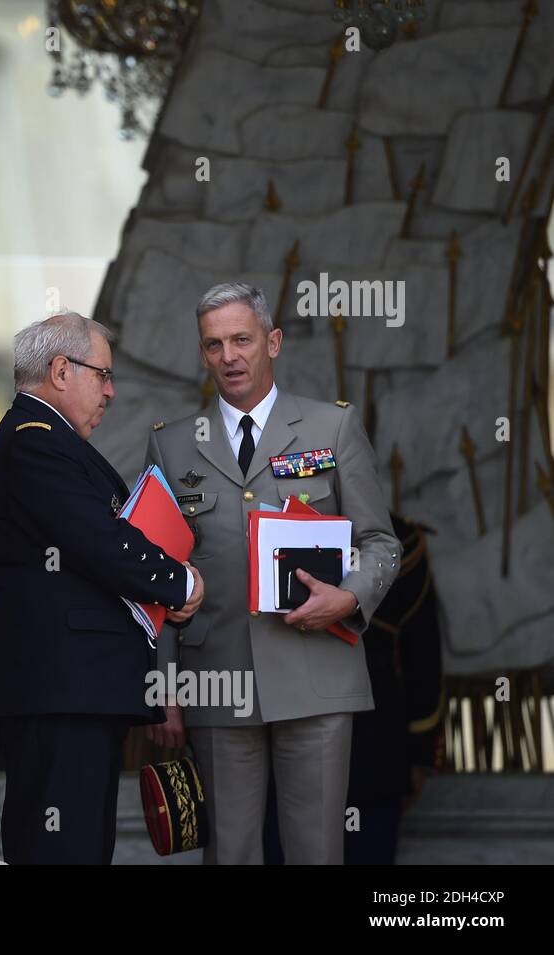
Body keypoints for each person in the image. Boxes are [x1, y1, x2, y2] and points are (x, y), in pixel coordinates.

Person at [144, 282, 399, 864]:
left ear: (273, 342)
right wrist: (164, 688)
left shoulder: (330, 429)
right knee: (229, 853)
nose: (229, 356)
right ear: (202, 353)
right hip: (215, 682)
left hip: (316, 673)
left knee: (315, 851)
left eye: (242, 339)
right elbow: (159, 576)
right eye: (214, 345)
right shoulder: (173, 444)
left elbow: (381, 543)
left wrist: (349, 598)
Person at [0, 310, 203, 865]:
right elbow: (97, 540)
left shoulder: (48, 438)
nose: (111, 391)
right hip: (59, 689)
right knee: (63, 849)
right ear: (60, 371)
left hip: (70, 688)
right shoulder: (37, 440)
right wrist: (177, 582)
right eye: (101, 375)